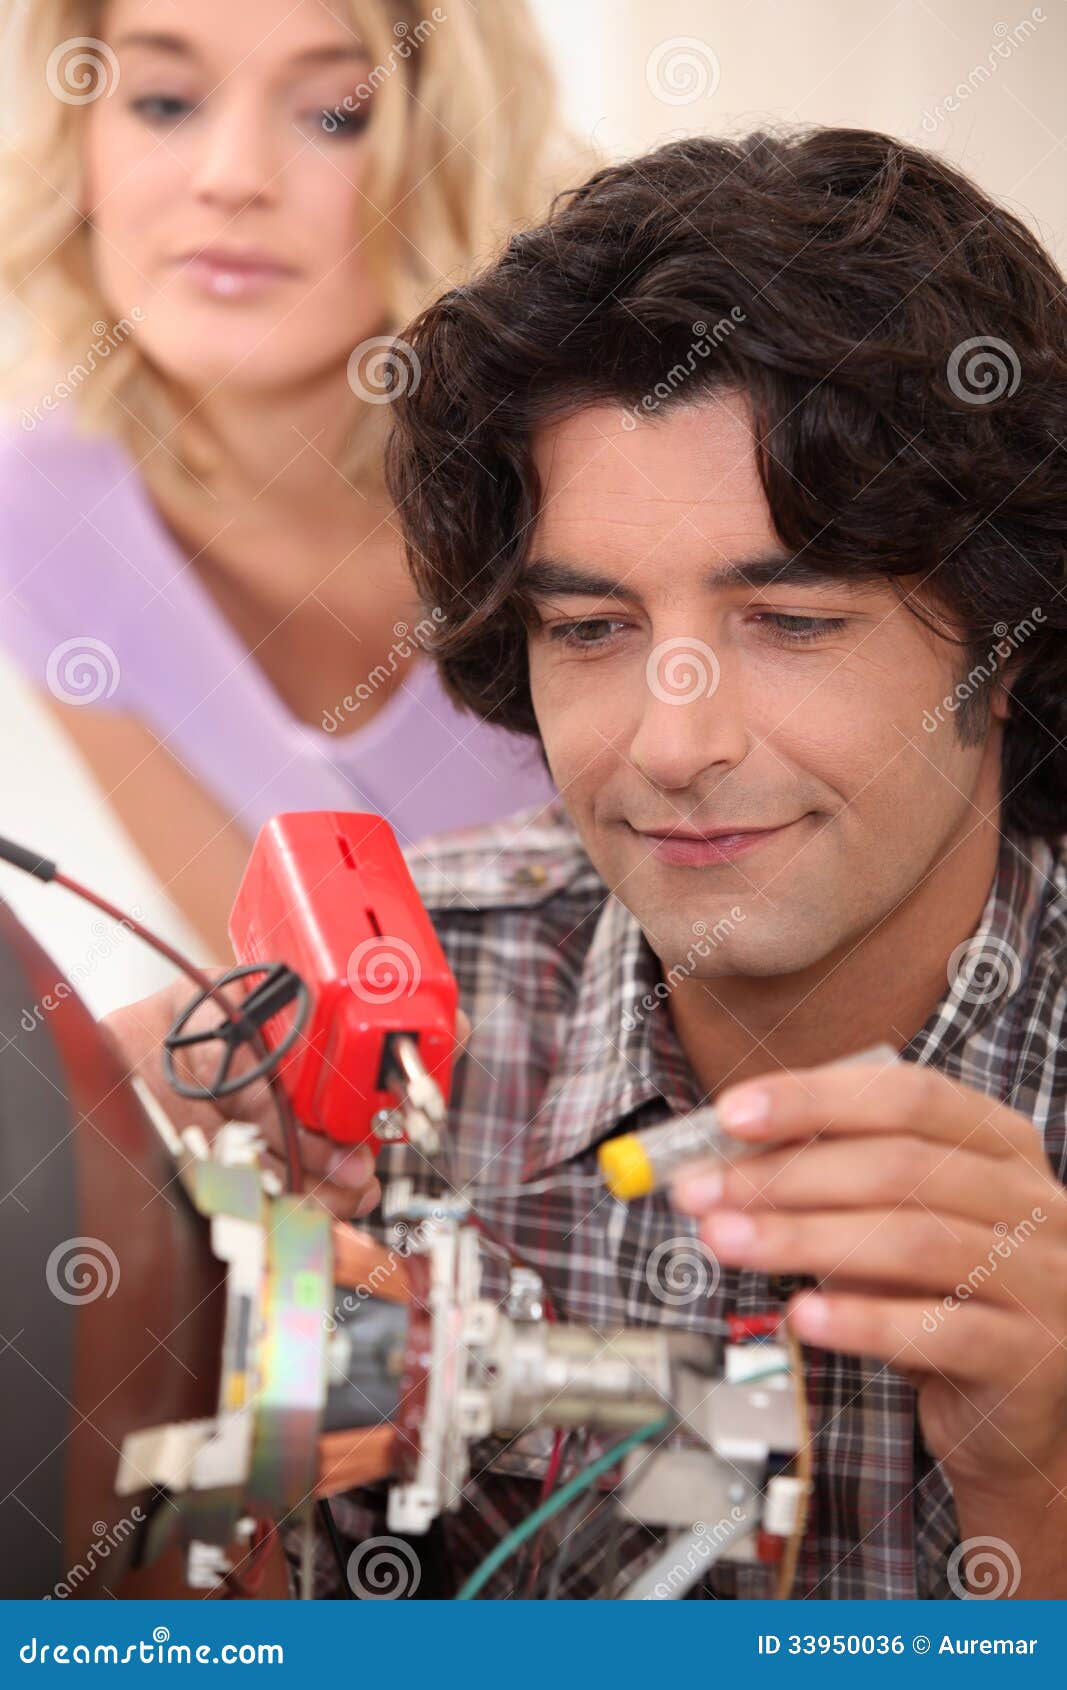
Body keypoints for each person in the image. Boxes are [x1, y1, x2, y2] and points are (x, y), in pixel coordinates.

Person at [108, 126, 1067, 1598]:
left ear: (1005, 642)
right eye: (589, 628)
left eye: (791, 621)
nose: (670, 747)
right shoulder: (371, 1009)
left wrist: (1038, 1478)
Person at [0, 0, 578, 958]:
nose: (231, 179)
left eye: (334, 114)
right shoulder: (35, 512)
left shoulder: (593, 457)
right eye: (165, 101)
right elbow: (281, 1009)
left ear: (448, 150)